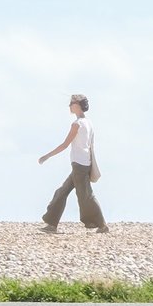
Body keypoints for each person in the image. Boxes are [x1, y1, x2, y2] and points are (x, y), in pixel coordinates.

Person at [38, 93, 108, 234]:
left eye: (71, 103)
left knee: (86, 196)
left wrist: (46, 156)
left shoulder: (77, 124)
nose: (69, 106)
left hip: (79, 165)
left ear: (77, 105)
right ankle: (51, 224)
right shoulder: (88, 123)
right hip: (83, 164)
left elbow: (65, 145)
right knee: (63, 192)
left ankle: (102, 225)